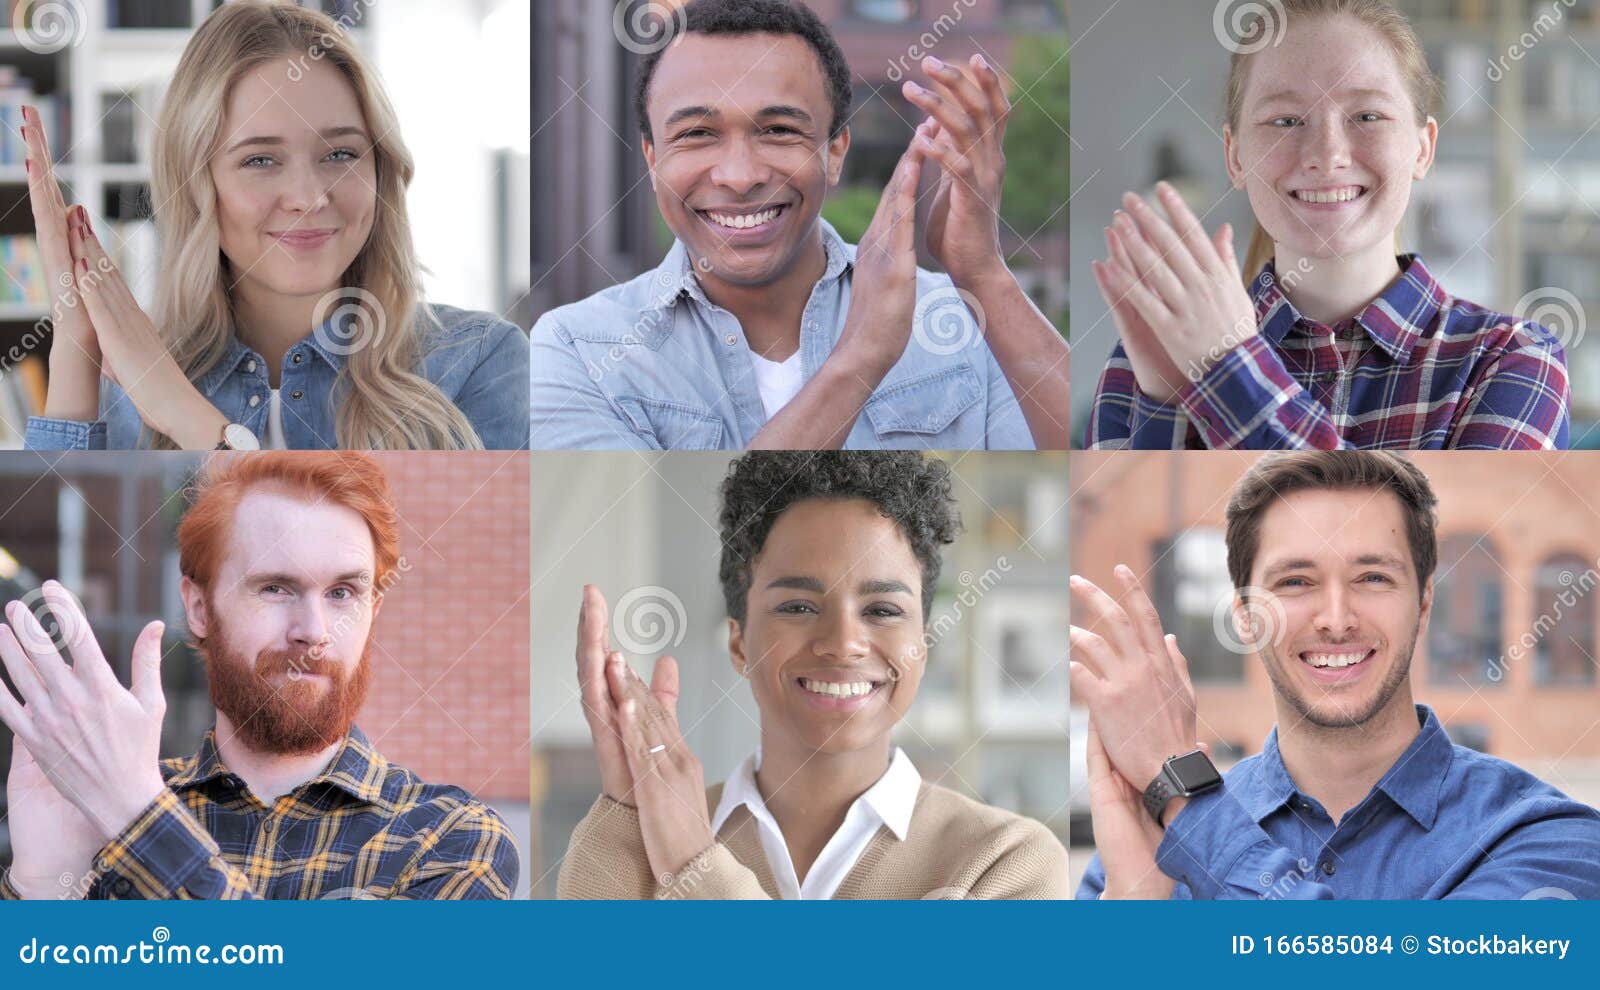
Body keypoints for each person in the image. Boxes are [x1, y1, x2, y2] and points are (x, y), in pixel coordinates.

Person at [530, 0, 1070, 451]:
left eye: (779, 130)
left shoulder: (962, 321)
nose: (740, 176)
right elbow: (699, 536)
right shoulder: (577, 348)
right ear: (652, 160)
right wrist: (861, 356)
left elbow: (1094, 464)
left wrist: (981, 273)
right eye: (696, 134)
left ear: (835, 152)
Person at [1070, 451, 1600, 899]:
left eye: (1372, 577)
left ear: (1423, 603)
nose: (1337, 619)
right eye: (1296, 582)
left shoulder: (1547, 839)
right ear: (1246, 616)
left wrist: (1187, 802)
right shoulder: (1136, 859)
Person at [0, 452, 519, 899]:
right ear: (199, 608)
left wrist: (137, 815)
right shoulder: (100, 812)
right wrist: (47, 884)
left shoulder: (451, 838)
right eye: (275, 588)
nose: (313, 632)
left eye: (343, 593)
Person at [559, 451, 1069, 898]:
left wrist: (696, 865)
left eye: (883, 611)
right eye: (799, 606)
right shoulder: (638, 834)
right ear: (739, 643)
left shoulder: (1005, 861)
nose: (843, 643)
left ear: (924, 645)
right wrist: (628, 812)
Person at [23, 0, 528, 450]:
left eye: (341, 154)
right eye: (260, 160)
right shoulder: (130, 376)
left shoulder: (479, 361)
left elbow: (437, 554)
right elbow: (69, 548)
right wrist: (74, 344)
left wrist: (185, 415)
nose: (309, 198)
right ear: (197, 184)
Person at [1085, 0, 1568, 450]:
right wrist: (1166, 407)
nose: (1326, 156)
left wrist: (1230, 369)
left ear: (1423, 149)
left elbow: (1443, 538)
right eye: (1286, 121)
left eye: (1367, 115)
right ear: (1234, 156)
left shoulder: (1514, 359)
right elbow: (1135, 536)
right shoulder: (1149, 356)